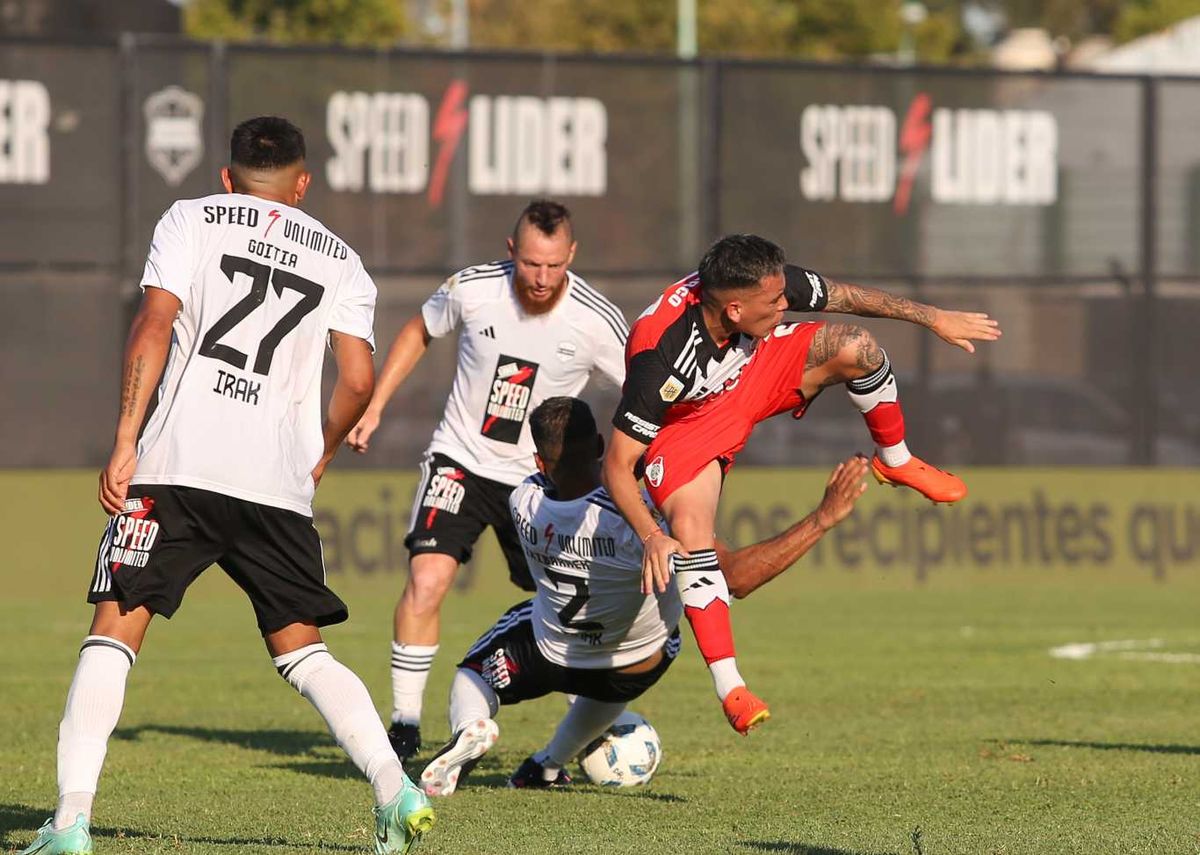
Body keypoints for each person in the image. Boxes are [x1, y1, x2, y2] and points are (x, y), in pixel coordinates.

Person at [19, 117, 433, 855]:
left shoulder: (190, 218)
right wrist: (323, 451)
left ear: (227, 176)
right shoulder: (342, 258)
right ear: (303, 185)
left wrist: (124, 438)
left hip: (178, 467)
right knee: (302, 649)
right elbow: (359, 379)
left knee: (114, 628)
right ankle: (393, 787)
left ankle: (72, 821)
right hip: (274, 483)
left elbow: (153, 324)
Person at [602, 234, 1001, 735]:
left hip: (751, 373)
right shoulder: (659, 356)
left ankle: (895, 460)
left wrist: (933, 317)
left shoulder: (761, 285)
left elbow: (848, 298)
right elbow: (617, 465)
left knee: (856, 346)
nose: (785, 304)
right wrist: (649, 534)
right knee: (689, 528)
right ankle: (732, 688)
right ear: (734, 309)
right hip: (688, 427)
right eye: (774, 303)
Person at [417, 397, 869, 795]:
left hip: (547, 654)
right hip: (635, 666)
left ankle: (469, 727)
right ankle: (547, 765)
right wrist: (822, 518)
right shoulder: (646, 517)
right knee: (653, 642)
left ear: (540, 462)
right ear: (599, 446)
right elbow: (732, 579)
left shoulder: (525, 501)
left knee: (474, 674)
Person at [345, 200, 627, 762]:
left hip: (539, 482)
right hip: (461, 461)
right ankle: (403, 727)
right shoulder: (473, 289)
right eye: (530, 264)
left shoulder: (596, 319)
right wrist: (374, 405)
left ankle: (583, 716)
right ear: (510, 252)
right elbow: (418, 330)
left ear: (571, 255)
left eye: (553, 265)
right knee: (426, 581)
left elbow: (639, 398)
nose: (542, 278)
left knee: (561, 596)